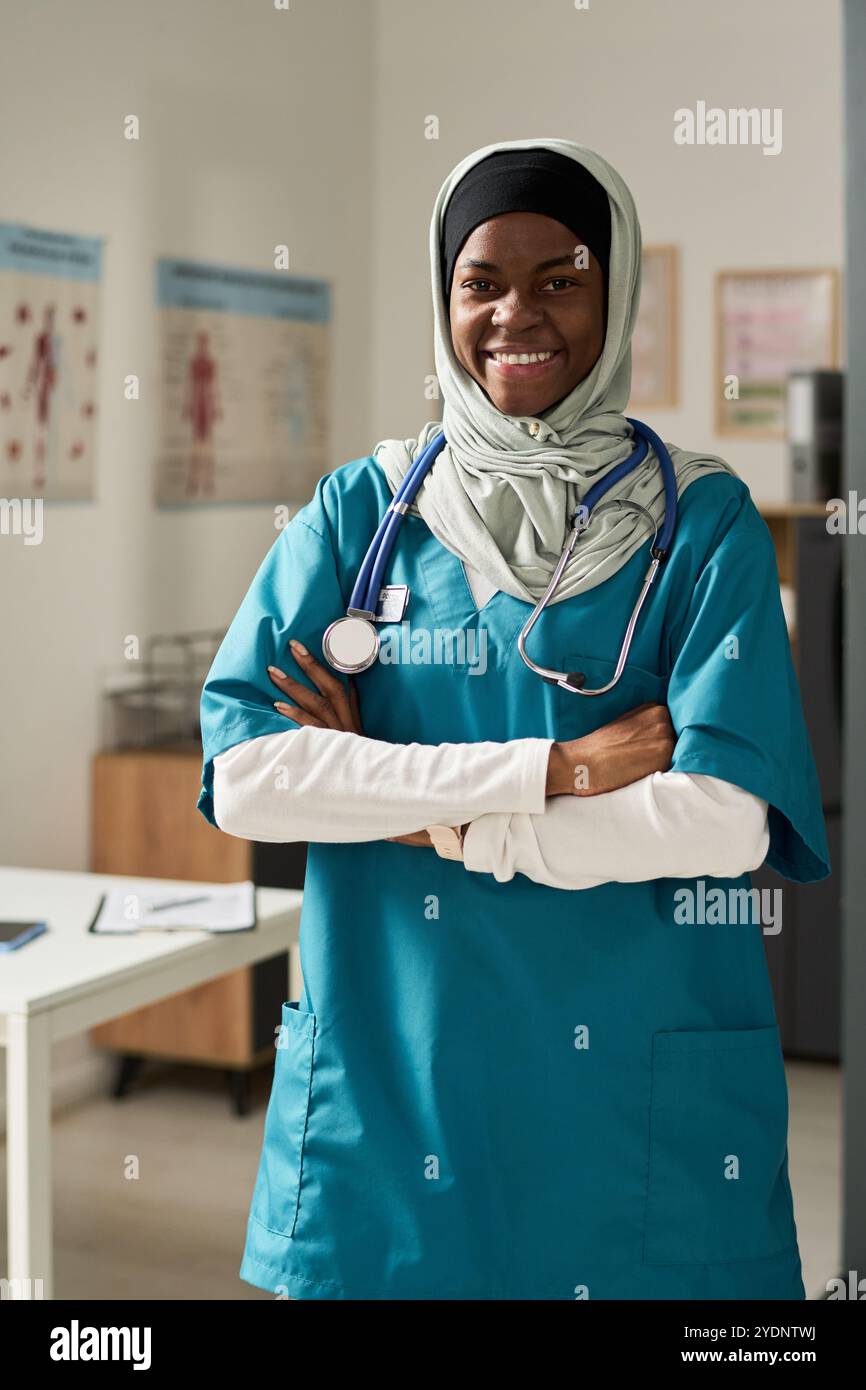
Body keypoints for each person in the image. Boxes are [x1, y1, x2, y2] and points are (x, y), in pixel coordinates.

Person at [196, 137, 830, 1301]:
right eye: (480, 281)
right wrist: (562, 769)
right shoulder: (361, 511)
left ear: (614, 289)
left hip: (633, 1093)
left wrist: (406, 803)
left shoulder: (700, 522)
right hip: (396, 1084)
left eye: (560, 277)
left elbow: (720, 821)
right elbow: (248, 779)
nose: (514, 314)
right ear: (444, 302)